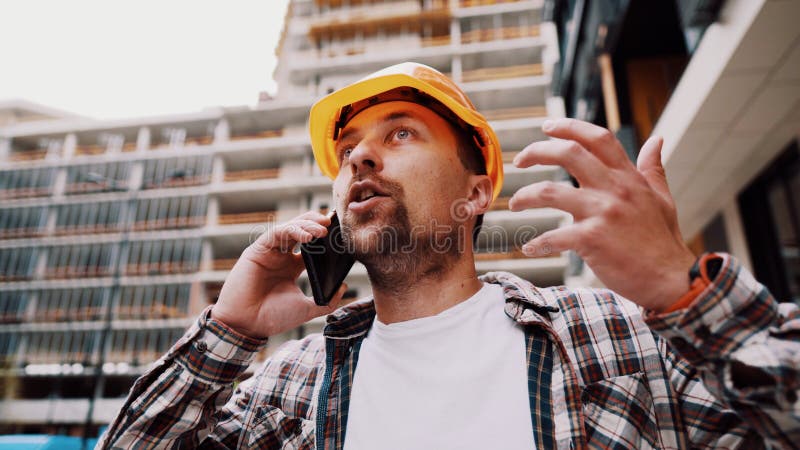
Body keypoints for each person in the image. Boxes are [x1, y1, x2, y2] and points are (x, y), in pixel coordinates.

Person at [98, 63, 799, 449]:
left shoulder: (614, 337)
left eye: (401, 133)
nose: (360, 157)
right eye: (347, 155)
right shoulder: (291, 387)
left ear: (477, 193)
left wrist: (683, 294)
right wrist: (229, 329)